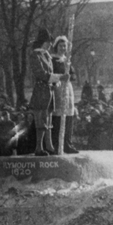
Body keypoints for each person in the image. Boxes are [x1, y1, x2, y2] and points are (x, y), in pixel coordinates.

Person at [29, 28, 67, 156]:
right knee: (41, 120)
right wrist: (59, 77)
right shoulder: (35, 55)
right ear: (43, 42)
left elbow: (49, 74)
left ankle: (49, 146)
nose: (51, 44)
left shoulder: (46, 56)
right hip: (40, 90)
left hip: (49, 90)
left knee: (48, 119)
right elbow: (41, 74)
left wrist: (58, 80)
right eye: (48, 42)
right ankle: (39, 147)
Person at [50, 35, 79, 154]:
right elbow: (50, 74)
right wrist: (60, 78)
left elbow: (74, 75)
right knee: (58, 116)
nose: (62, 48)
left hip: (68, 89)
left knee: (68, 115)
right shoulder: (52, 59)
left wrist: (70, 76)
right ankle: (56, 143)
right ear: (56, 47)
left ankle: (67, 143)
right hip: (57, 89)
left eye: (64, 46)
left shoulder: (67, 60)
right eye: (60, 46)